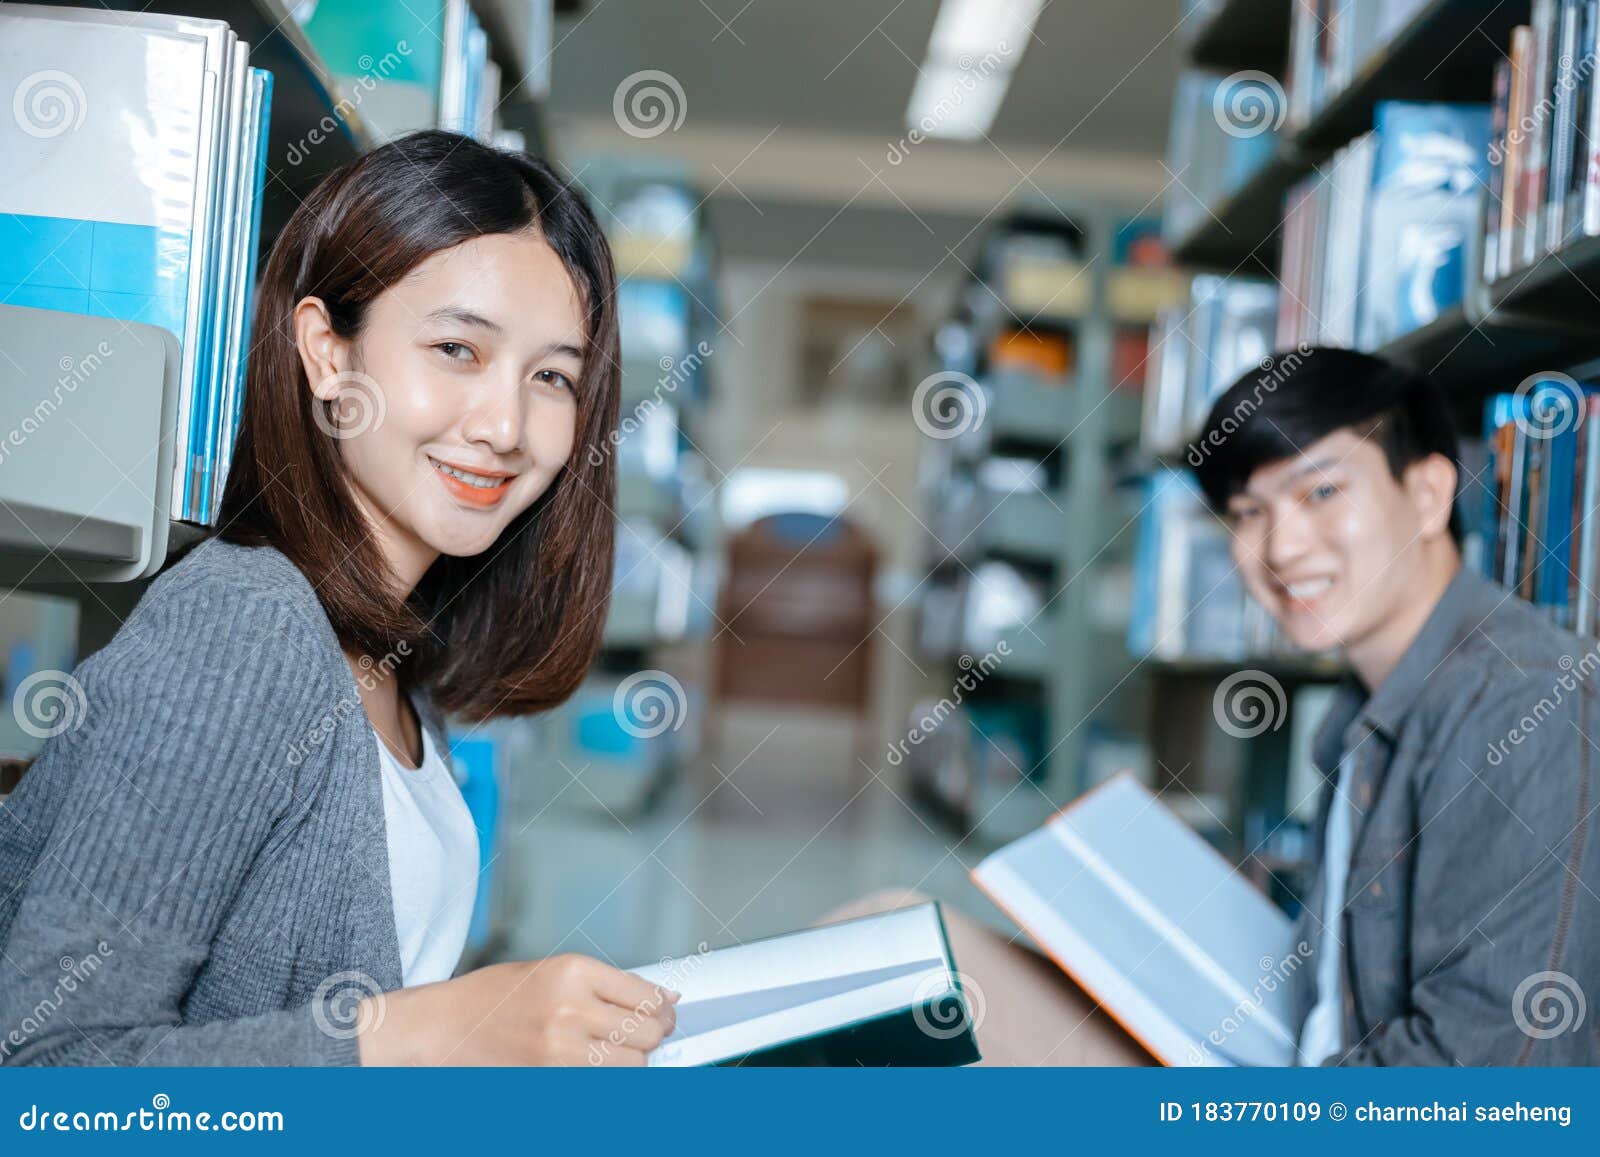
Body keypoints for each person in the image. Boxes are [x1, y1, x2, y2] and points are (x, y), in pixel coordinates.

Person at [0, 131, 676, 1066]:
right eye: (455, 348)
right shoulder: (241, 625)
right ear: (326, 352)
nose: (506, 425)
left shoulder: (398, 661)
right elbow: (43, 1080)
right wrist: (433, 1031)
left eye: (551, 376)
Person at [839, 348, 1600, 1066]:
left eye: (1321, 491)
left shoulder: (1523, 699)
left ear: (1429, 493)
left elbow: (1497, 1079)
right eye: (1247, 513)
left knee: (897, 999)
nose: (1281, 546)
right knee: (887, 940)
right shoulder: (1371, 702)